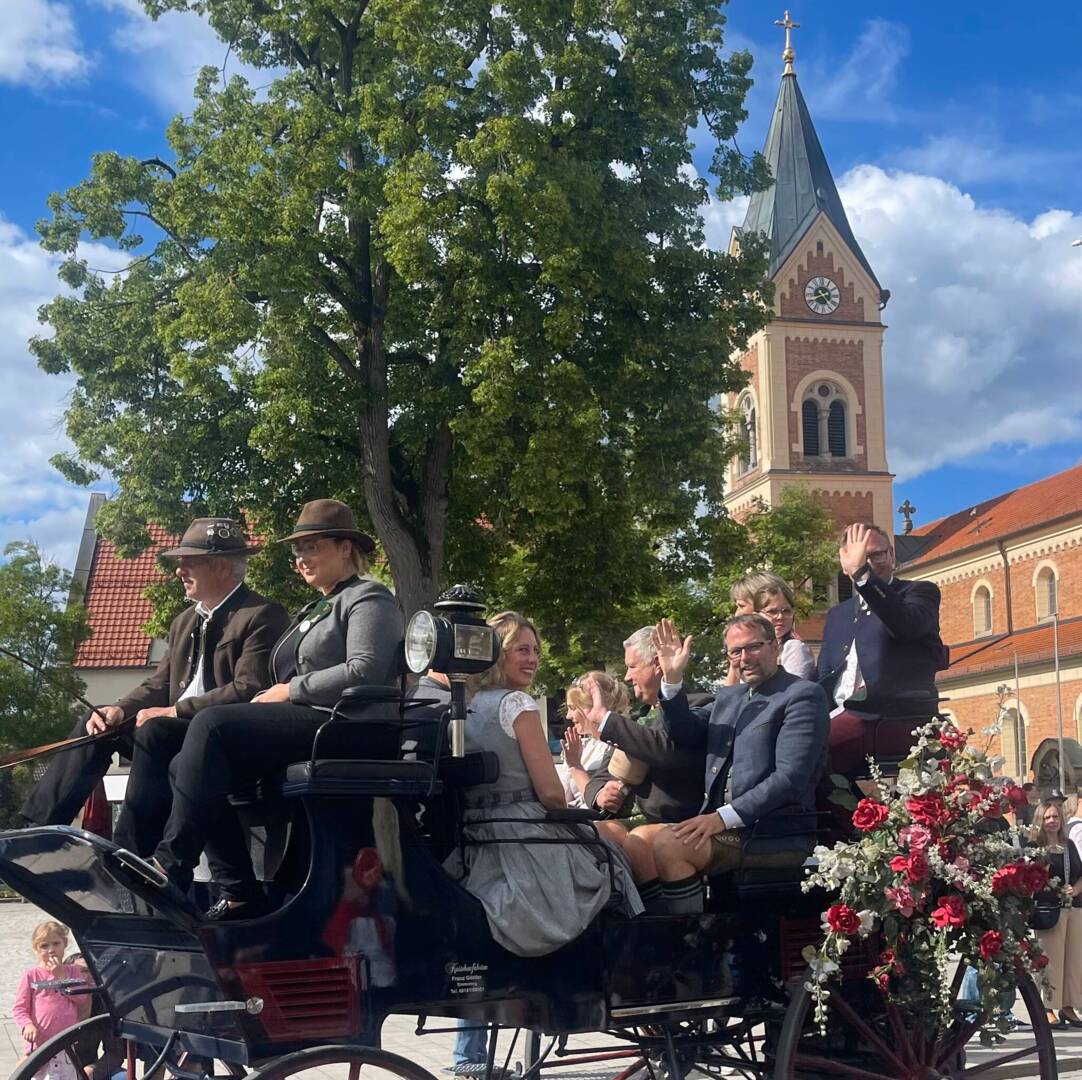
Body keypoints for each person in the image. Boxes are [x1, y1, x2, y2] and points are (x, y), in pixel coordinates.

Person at [146, 499, 404, 919]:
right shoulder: (315, 608)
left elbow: (366, 670)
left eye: (313, 547)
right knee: (182, 765)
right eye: (297, 550)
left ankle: (171, 863)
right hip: (312, 721)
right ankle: (239, 890)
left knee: (210, 725)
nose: (302, 558)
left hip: (346, 724)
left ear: (345, 548)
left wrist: (290, 689)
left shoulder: (368, 597)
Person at [20, 518, 290, 845]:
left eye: (189, 562)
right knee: (94, 726)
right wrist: (119, 710)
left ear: (220, 566)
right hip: (173, 730)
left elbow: (248, 689)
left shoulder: (262, 614)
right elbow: (158, 684)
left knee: (154, 730)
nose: (179, 571)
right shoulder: (184, 621)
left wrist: (173, 712)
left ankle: (131, 851)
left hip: (219, 737)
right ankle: (34, 833)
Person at [444, 611, 641, 957]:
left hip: (479, 832)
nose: (533, 658)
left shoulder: (466, 706)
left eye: (535, 650)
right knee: (611, 860)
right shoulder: (517, 704)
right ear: (498, 653)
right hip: (525, 832)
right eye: (522, 650)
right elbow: (551, 793)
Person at [648, 613, 830, 914]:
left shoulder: (802, 695)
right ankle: (660, 944)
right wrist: (672, 680)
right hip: (727, 828)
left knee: (670, 845)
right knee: (639, 844)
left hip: (772, 831)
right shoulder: (729, 697)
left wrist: (720, 819)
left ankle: (694, 945)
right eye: (735, 651)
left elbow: (789, 779)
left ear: (774, 646)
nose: (744, 658)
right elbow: (682, 731)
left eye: (753, 647)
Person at [575, 627, 704, 911]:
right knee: (586, 833)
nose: (626, 676)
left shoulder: (701, 705)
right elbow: (601, 774)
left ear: (658, 664)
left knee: (638, 841)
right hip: (633, 822)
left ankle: (656, 926)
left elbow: (665, 748)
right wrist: (600, 793)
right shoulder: (641, 717)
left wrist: (606, 719)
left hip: (680, 824)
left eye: (633, 666)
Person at [817, 523, 948, 775]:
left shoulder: (919, 593)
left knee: (808, 751)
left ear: (891, 554)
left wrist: (863, 577)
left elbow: (904, 625)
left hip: (886, 717)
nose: (870, 563)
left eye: (876, 554)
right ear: (844, 564)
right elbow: (822, 676)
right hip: (836, 715)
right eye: (861, 558)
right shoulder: (837, 615)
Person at [1027, 801, 1082, 1028]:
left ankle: (1068, 1006)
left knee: (1074, 960)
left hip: (1074, 906)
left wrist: (1075, 889)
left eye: (1055, 817)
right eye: (1048, 817)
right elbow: (1030, 879)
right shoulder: (1034, 847)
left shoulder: (1068, 845)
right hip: (1049, 909)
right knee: (1051, 960)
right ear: (1040, 820)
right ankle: (1048, 1007)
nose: (1052, 821)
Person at [13, 921, 87, 1080]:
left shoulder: (73, 971)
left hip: (65, 1044)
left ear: (65, 943)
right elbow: (19, 1008)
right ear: (36, 949)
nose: (51, 950)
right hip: (40, 1045)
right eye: (44, 946)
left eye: (56, 943)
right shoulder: (31, 975)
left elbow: (82, 997)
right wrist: (27, 1024)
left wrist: (62, 977)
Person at [559, 673, 626, 807]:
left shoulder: (617, 745)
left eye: (573, 708)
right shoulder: (584, 746)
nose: (568, 716)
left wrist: (575, 766)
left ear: (590, 707)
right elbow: (562, 798)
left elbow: (603, 801)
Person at [753, 577, 815, 680]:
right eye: (772, 612)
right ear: (756, 616)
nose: (780, 617)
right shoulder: (751, 650)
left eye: (786, 611)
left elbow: (793, 691)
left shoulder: (793, 647)